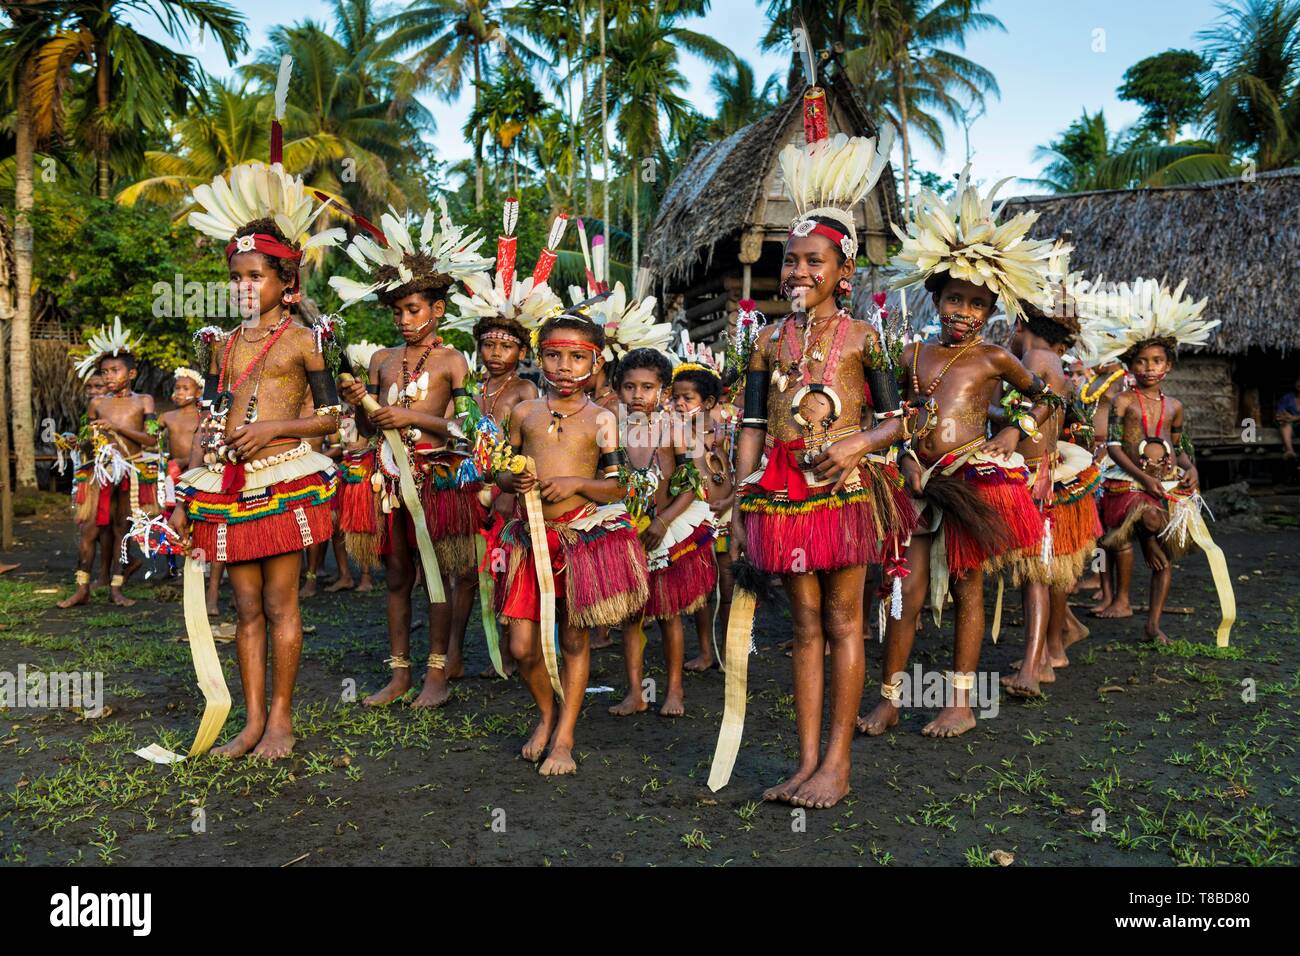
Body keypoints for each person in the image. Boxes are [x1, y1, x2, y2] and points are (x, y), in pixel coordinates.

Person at [728, 91, 914, 809]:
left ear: (843, 272)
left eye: (813, 261)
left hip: (846, 491)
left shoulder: (868, 340)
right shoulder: (765, 342)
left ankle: (838, 763)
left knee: (843, 622)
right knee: (802, 626)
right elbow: (750, 425)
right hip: (780, 493)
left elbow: (899, 420)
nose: (797, 272)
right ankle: (806, 763)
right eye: (789, 260)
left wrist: (854, 445)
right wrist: (741, 500)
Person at [861, 166, 1062, 740]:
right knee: (907, 590)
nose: (964, 311)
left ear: (991, 309)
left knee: (970, 585)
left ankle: (960, 701)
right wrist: (902, 458)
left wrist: (1013, 434)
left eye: (976, 303)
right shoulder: (910, 355)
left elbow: (1047, 399)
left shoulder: (996, 357)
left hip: (970, 471)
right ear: (935, 298)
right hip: (917, 477)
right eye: (954, 298)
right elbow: (890, 416)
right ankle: (891, 699)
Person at [170, 122, 344, 758]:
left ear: (285, 282)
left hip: (288, 476)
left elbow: (335, 422)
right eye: (237, 276)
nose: (245, 286)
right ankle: (247, 723)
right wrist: (190, 482)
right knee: (243, 612)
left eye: (255, 275)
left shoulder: (304, 340)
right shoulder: (222, 346)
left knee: (280, 606)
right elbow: (215, 417)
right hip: (230, 486)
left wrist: (274, 427)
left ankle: (281, 721)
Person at [331, 201, 494, 706]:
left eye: (414, 310)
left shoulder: (452, 360)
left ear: (437, 310)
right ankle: (399, 673)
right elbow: (366, 425)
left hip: (437, 477)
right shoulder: (381, 360)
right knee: (397, 574)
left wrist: (414, 419)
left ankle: (438, 675)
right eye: (397, 311)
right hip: (386, 479)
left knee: (441, 577)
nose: (404, 320)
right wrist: (360, 402)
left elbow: (464, 427)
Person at [493, 306, 648, 774]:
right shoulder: (523, 413)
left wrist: (577, 484)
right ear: (539, 359)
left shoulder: (602, 418)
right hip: (529, 540)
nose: (565, 368)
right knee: (522, 646)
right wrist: (511, 479)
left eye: (577, 358)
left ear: (595, 362)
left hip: (580, 539)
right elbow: (499, 471)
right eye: (555, 356)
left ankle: (564, 736)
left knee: (575, 640)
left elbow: (620, 485)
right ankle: (546, 713)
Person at [444, 199, 561, 677]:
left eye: (506, 344)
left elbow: (527, 446)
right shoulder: (469, 388)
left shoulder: (527, 390)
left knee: (502, 571)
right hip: (467, 488)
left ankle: (511, 653)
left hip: (507, 494)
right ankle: (451, 652)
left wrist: (504, 486)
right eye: (488, 344)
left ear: (521, 348)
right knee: (461, 577)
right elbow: (458, 432)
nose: (495, 352)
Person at [1095, 278, 1220, 643]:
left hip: (1164, 483)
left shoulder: (1175, 407)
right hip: (1127, 482)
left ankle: (1152, 624)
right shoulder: (1123, 402)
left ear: (1169, 365)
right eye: (1141, 361)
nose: (1149, 367)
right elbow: (1116, 446)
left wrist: (1191, 470)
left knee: (1165, 559)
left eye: (1157, 361)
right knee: (1150, 519)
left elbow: (1182, 447)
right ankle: (1146, 541)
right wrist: (1142, 477)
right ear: (1129, 364)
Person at [607, 348, 713, 717]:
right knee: (630, 617)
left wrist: (663, 520)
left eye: (647, 387)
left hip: (665, 531)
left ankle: (674, 691)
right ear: (617, 389)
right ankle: (636, 692)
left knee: (669, 614)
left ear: (663, 391)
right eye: (629, 387)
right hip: (626, 531)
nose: (638, 395)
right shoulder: (610, 431)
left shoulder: (676, 430)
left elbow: (690, 487)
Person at [60, 319, 160, 609]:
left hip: (131, 472)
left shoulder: (144, 402)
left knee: (121, 530)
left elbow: (152, 440)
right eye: (104, 372)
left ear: (131, 373)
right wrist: (72, 442)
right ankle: (82, 588)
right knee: (89, 530)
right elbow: (85, 439)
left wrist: (116, 428)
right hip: (100, 473)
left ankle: (117, 588)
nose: (108, 376)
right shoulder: (96, 404)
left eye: (114, 370)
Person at [671, 356, 732, 672]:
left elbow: (736, 474)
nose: (680, 403)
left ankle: (728, 651)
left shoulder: (724, 432)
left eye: (688, 398)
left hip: (726, 517)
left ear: (708, 401)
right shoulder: (676, 436)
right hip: (696, 519)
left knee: (729, 586)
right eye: (676, 397)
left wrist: (732, 500)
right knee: (703, 589)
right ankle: (706, 650)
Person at [1276, 374, 1299, 461]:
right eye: (1298, 381)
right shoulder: (1287, 397)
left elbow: (1294, 418)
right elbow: (1280, 413)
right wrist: (1284, 416)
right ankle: (1290, 451)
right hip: (1291, 428)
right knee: (1284, 422)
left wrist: (1295, 417)